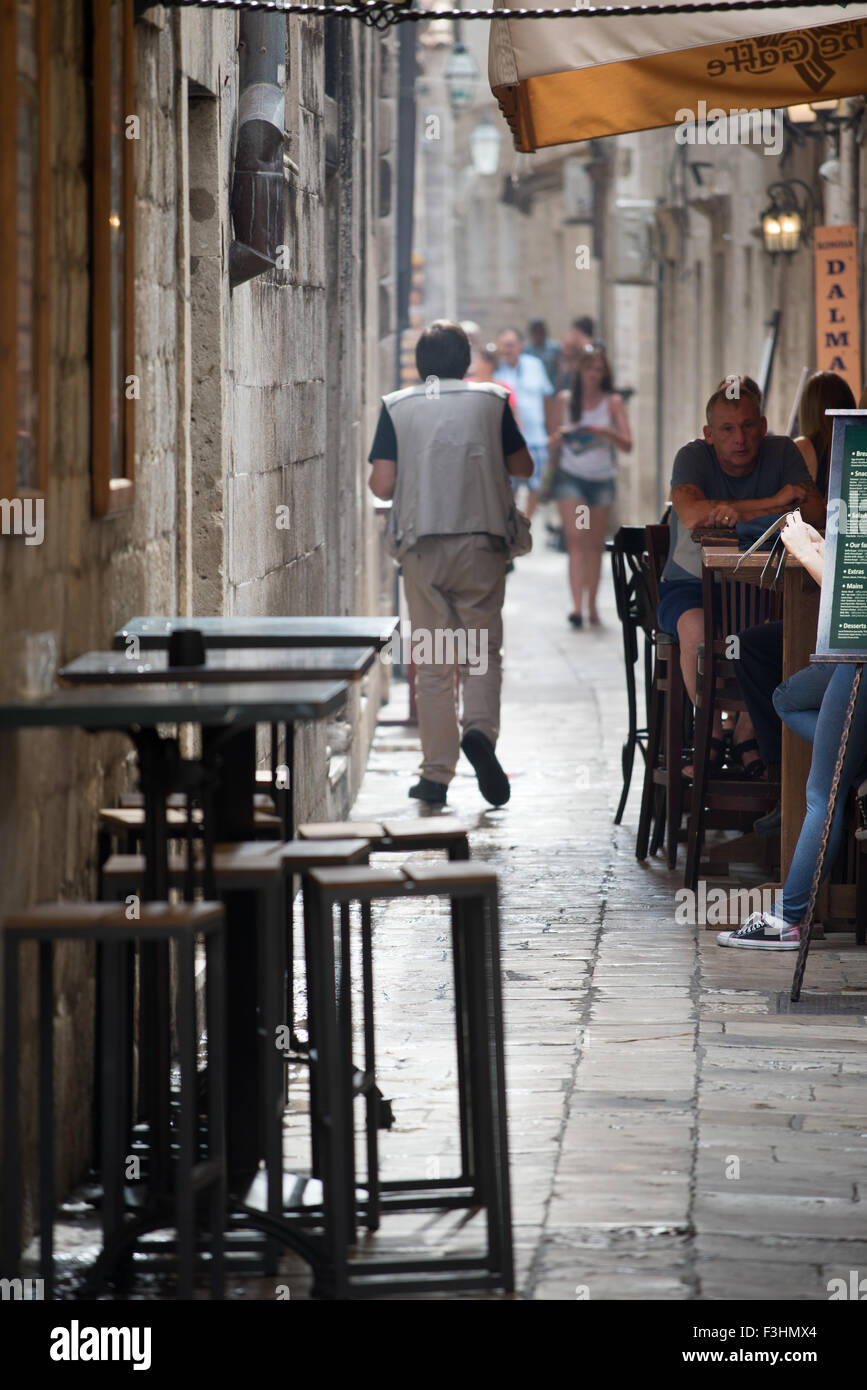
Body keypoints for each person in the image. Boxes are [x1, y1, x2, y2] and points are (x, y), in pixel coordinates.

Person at [368, 320, 533, 806]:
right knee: (481, 653)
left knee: (436, 664)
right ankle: (479, 732)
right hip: (481, 544)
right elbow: (523, 466)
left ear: (420, 365)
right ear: (466, 361)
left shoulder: (397, 407)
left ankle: (436, 774)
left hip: (423, 547)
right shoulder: (492, 402)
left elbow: (381, 485)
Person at [657, 380, 825, 773]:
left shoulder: (782, 452)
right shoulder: (692, 458)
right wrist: (774, 504)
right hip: (692, 585)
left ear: (763, 426)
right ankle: (711, 734)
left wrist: (738, 512)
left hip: (765, 585)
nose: (740, 438)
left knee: (778, 635)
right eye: (728, 430)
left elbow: (814, 512)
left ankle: (749, 732)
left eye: (748, 426)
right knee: (697, 633)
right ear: (709, 435)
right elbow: (693, 515)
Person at [718, 512, 867, 949]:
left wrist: (806, 554)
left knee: (824, 794)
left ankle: (787, 920)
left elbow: (855, 610)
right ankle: (858, 770)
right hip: (853, 657)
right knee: (787, 697)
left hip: (859, 657)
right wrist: (824, 553)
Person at [733, 371, 855, 813]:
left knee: (757, 654)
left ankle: (784, 777)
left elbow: (800, 514)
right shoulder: (850, 454)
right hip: (839, 624)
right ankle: (819, 768)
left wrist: (806, 541)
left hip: (841, 633)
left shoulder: (803, 447)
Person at [548, 344, 632, 627]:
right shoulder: (565, 400)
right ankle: (576, 607)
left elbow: (628, 444)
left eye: (599, 370)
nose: (594, 374)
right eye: (589, 368)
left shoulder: (613, 402)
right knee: (576, 538)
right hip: (571, 477)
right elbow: (552, 441)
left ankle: (592, 605)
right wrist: (561, 439)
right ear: (580, 370)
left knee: (594, 544)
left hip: (601, 481)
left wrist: (605, 431)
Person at [494, 328, 555, 519]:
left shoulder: (535, 366)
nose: (506, 350)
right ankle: (510, 524)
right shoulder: (496, 370)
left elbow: (547, 400)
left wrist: (551, 433)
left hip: (536, 438)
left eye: (510, 345)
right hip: (508, 443)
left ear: (520, 346)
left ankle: (525, 525)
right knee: (508, 487)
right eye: (503, 345)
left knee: (536, 487)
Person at [468, 343, 520, 424]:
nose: (485, 364)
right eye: (483, 359)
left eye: (489, 360)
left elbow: (514, 420)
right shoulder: (467, 385)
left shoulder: (504, 388)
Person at [524, 318, 561, 388]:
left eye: (540, 332)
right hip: (533, 383)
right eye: (535, 333)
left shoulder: (554, 348)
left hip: (551, 381)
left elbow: (559, 367)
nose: (538, 336)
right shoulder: (526, 349)